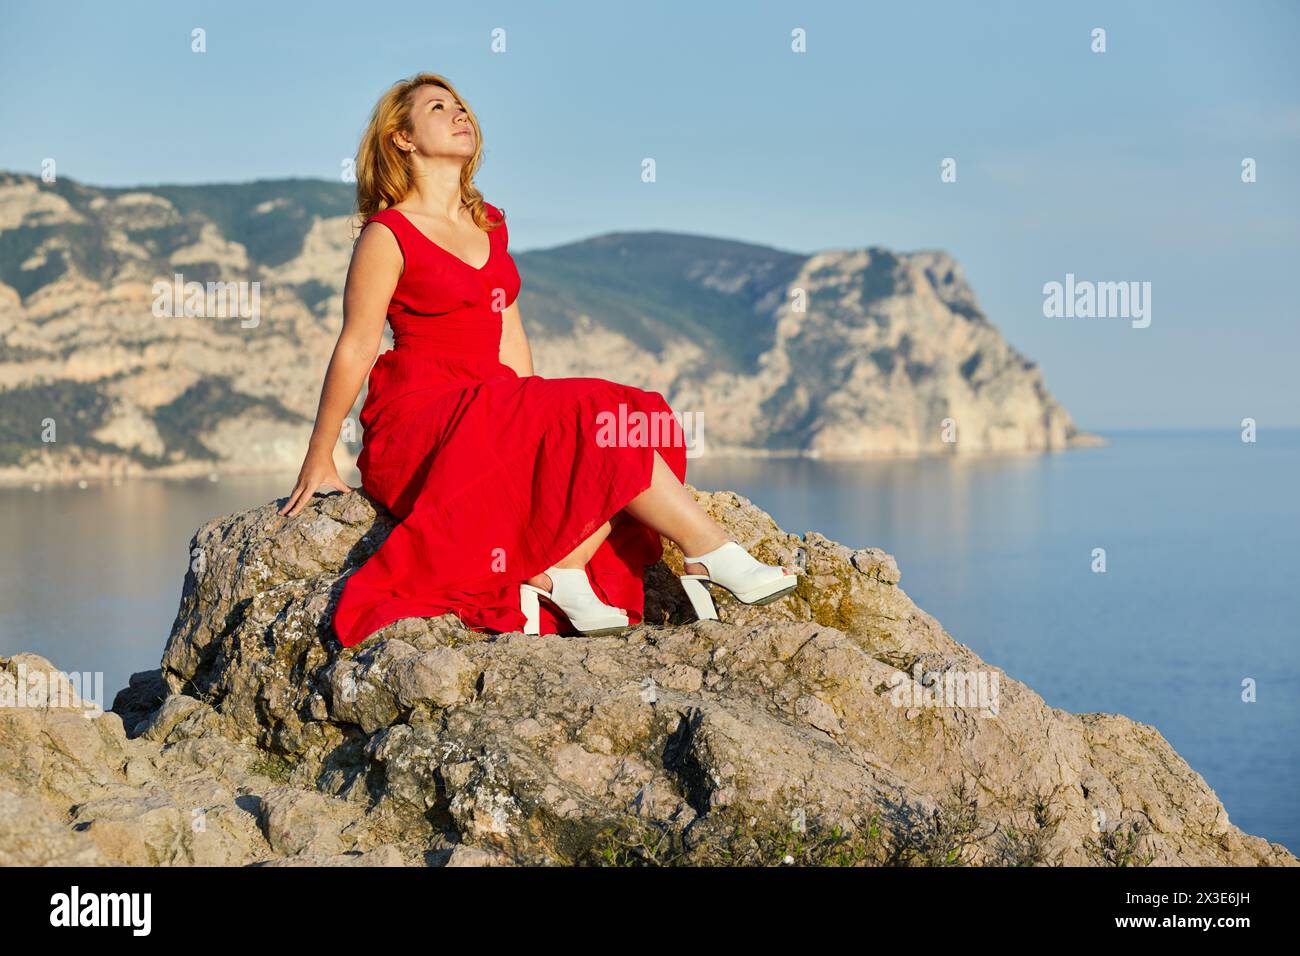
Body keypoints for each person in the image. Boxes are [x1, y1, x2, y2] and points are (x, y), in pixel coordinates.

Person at [278, 72, 801, 648]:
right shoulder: (388, 233)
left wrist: (539, 424)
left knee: (628, 417)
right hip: (423, 415)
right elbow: (355, 343)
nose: (462, 116)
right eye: (439, 108)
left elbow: (511, 331)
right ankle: (710, 551)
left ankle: (561, 570)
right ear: (402, 138)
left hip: (493, 401)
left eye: (462, 107)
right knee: (598, 410)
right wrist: (319, 456)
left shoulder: (489, 223)